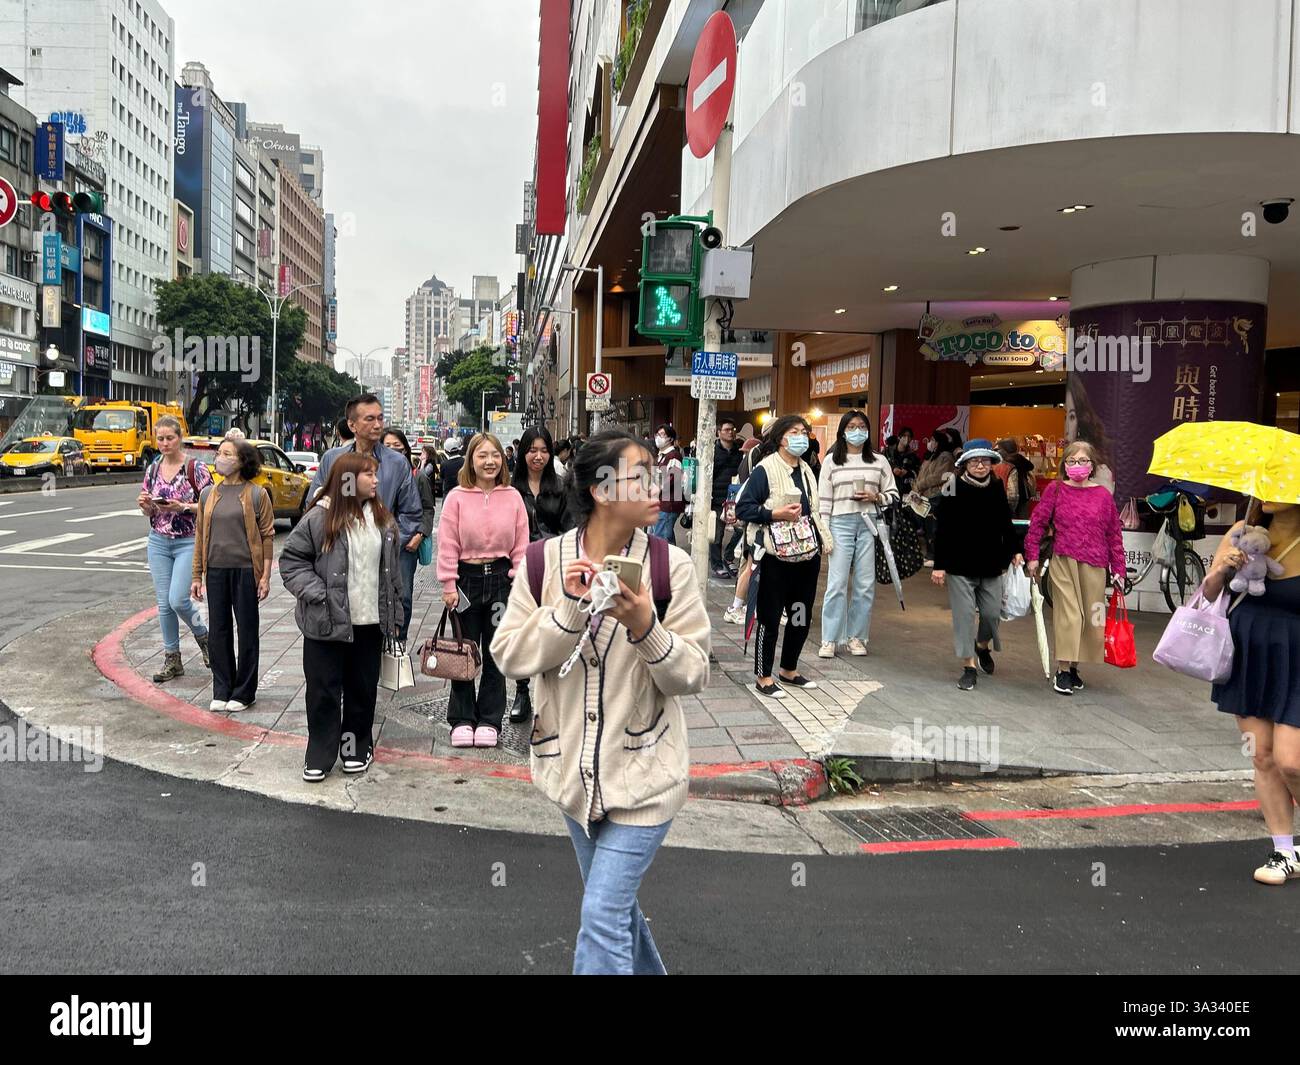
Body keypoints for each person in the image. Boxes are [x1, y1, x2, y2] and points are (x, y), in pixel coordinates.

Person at [491, 427, 710, 974]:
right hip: (571, 772)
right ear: (601, 490)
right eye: (642, 473)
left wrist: (645, 628)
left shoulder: (670, 568)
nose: (658, 480)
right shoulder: (544, 563)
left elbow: (694, 674)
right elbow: (510, 656)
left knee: (602, 916)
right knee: (616, 914)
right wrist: (566, 610)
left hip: (646, 774)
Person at [280, 451, 406, 781]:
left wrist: (395, 612)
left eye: (375, 474)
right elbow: (291, 562)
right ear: (347, 480)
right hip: (325, 622)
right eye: (368, 474)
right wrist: (319, 595)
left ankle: (355, 747)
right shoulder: (320, 518)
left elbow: (390, 573)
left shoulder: (382, 518)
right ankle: (320, 754)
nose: (376, 480)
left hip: (369, 623)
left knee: (361, 690)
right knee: (322, 690)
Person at [1204, 498, 1300, 885]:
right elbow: (1209, 593)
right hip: (1249, 653)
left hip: (1297, 655)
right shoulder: (1240, 532)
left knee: (1291, 759)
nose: (1267, 491)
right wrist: (1225, 569)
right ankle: (1283, 851)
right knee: (1262, 755)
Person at [436, 432, 530, 748]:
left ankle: (490, 719)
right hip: (466, 581)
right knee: (463, 650)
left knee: (495, 653)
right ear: (471, 460)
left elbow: (521, 544)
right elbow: (447, 543)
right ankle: (462, 719)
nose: (489, 461)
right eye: (482, 455)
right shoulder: (456, 497)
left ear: (503, 460)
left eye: (495, 455)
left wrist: (518, 580)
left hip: (502, 581)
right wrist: (448, 583)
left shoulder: (513, 497)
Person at [735, 415, 834, 698]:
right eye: (795, 432)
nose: (801, 437)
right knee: (769, 615)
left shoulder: (806, 470)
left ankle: (789, 669)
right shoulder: (765, 470)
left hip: (806, 554)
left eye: (804, 432)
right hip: (775, 556)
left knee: (800, 615)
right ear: (780, 437)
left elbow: (813, 511)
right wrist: (774, 514)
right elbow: (743, 509)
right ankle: (764, 675)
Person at [1024, 440, 1126, 695]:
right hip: (1063, 561)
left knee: (1092, 619)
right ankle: (1062, 669)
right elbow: (1037, 523)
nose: (1077, 466)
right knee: (1069, 615)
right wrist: (1032, 556)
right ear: (1064, 464)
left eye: (1083, 461)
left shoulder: (1103, 496)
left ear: (1092, 466)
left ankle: (1074, 668)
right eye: (1071, 461)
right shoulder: (1056, 490)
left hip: (1095, 565)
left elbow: (1114, 534)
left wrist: (1119, 570)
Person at [931, 439, 1023, 691]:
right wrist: (939, 565)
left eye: (985, 461)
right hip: (959, 565)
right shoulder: (952, 487)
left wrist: (1015, 550)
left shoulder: (996, 487)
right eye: (974, 461)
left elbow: (1006, 522)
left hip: (992, 563)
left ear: (992, 463)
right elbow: (943, 529)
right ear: (965, 464)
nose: (980, 465)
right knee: (963, 617)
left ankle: (981, 646)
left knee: (992, 614)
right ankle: (968, 667)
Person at [189, 438, 274, 712]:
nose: (220, 457)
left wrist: (265, 576)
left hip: (247, 571)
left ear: (242, 461)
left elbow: (267, 537)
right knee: (219, 631)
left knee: (247, 631)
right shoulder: (207, 495)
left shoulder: (257, 494)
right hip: (216, 570)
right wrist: (196, 575)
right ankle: (222, 687)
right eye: (219, 453)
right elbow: (200, 536)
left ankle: (245, 692)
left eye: (227, 453)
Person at [817, 410, 898, 658]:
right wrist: (825, 533)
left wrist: (876, 497)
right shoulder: (831, 461)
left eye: (861, 426)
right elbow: (823, 502)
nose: (857, 431)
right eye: (851, 426)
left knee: (864, 584)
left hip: (869, 524)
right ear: (842, 431)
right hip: (839, 523)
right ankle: (829, 638)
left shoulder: (879, 461)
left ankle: (857, 637)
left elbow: (894, 495)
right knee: (837, 583)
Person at [137, 415, 211, 683]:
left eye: (170, 438)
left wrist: (183, 508)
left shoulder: (195, 468)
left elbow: (210, 503)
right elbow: (148, 505)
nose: (165, 443)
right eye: (160, 438)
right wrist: (146, 505)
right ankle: (172, 658)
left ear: (180, 437)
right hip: (158, 540)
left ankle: (204, 637)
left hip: (188, 540)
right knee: (163, 605)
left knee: (177, 599)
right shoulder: (153, 469)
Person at [510, 426, 576, 723]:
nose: (538, 456)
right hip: (517, 571)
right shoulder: (509, 489)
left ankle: (554, 690)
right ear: (523, 452)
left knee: (553, 629)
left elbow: (571, 530)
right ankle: (522, 691)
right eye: (532, 450)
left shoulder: (561, 487)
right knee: (523, 630)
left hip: (552, 569)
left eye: (544, 450)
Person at [310, 395, 422, 548]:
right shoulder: (332, 459)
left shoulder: (397, 463)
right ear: (352, 425)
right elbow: (314, 506)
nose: (377, 425)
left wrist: (386, 546)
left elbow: (410, 513)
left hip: (381, 557)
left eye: (380, 418)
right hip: (339, 554)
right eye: (370, 419)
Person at [381, 428, 436, 643]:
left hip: (406, 545)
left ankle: (400, 640)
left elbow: (428, 508)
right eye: (387, 446)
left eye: (398, 445)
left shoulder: (418, 476)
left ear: (405, 448)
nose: (393, 450)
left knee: (403, 595)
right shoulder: (374, 474)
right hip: (379, 542)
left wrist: (419, 535)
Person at [722, 434, 763, 625]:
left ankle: (744, 605)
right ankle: (736, 607)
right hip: (757, 524)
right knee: (750, 566)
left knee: (749, 566)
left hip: (753, 524)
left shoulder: (753, 465)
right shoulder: (762, 466)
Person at [915, 428, 962, 560]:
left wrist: (921, 484)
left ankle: (934, 555)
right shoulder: (933, 455)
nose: (930, 443)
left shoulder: (946, 456)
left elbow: (938, 476)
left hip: (937, 495)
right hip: (928, 495)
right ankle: (930, 554)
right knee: (928, 527)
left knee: (934, 527)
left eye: (933, 440)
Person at [1064, 374, 1115, 493]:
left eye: (1071, 417)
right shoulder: (1058, 484)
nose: (1066, 428)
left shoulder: (1101, 473)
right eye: (1064, 417)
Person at [709, 416, 745, 578]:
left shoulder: (739, 451)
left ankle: (728, 556)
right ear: (719, 432)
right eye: (727, 430)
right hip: (716, 499)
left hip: (735, 499)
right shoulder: (712, 451)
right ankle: (716, 565)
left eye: (733, 430)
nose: (731, 433)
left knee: (739, 530)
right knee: (717, 535)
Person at [651, 424, 685, 543]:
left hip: (668, 504)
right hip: (660, 502)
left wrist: (657, 489)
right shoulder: (660, 456)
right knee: (666, 536)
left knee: (662, 538)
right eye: (657, 434)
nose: (658, 437)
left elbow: (673, 477)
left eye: (662, 435)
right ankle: (672, 559)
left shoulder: (674, 455)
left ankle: (665, 560)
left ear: (670, 439)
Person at [995, 437, 1039, 520]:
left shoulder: (1005, 463)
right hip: (1023, 493)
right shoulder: (1020, 458)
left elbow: (1011, 496)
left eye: (999, 449)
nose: (998, 451)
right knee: (1022, 521)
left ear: (1004, 450)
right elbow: (1031, 466)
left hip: (1011, 494)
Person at [887, 426, 921, 494]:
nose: (907, 439)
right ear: (899, 437)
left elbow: (918, 472)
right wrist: (893, 468)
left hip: (906, 491)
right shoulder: (888, 451)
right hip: (889, 489)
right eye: (904, 436)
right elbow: (882, 466)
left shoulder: (913, 455)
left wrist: (908, 473)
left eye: (909, 437)